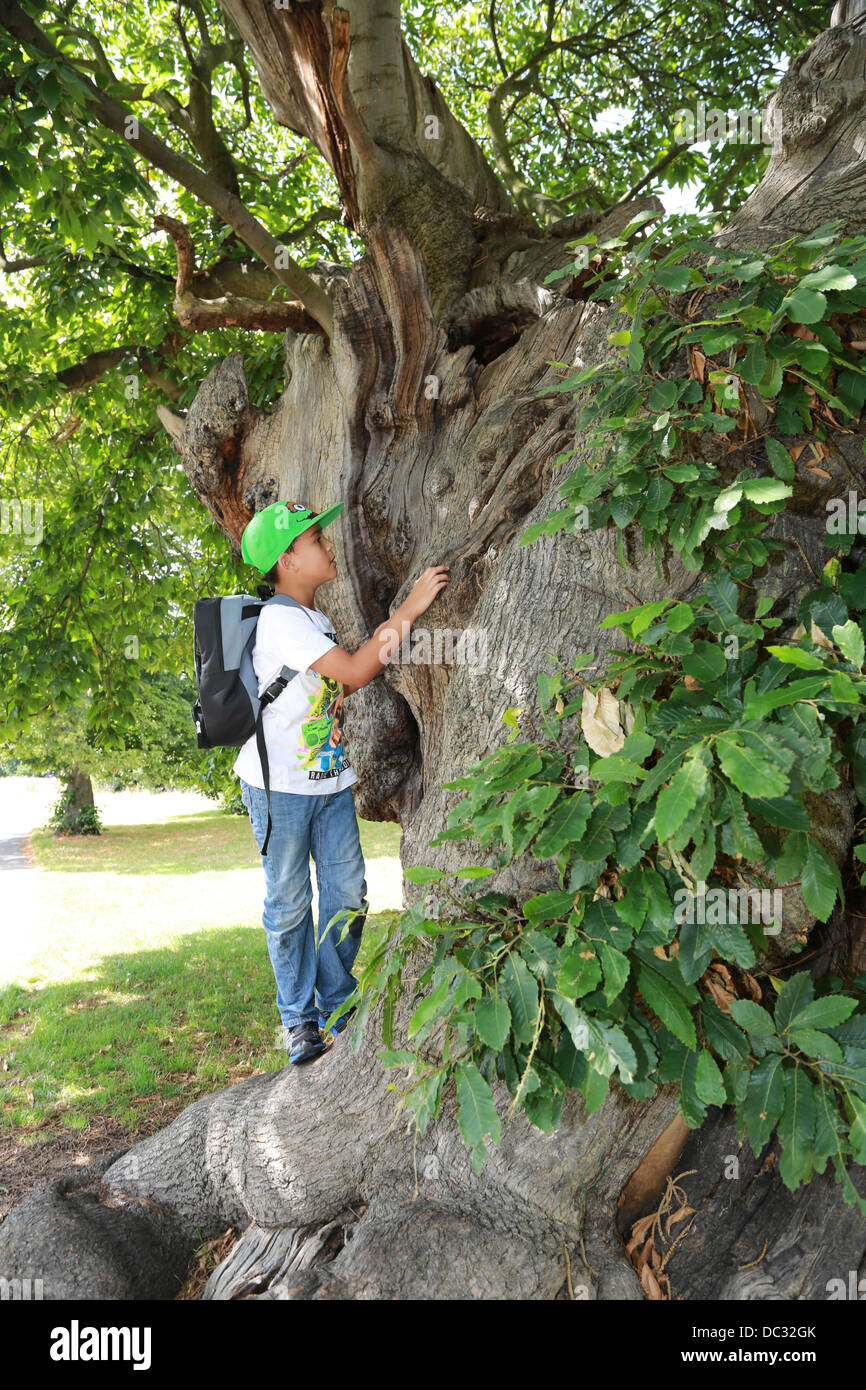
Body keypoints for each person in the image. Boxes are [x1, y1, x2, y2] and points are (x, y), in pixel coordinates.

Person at [234, 498, 450, 1065]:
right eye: (314, 540)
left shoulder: (313, 620)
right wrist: (409, 610)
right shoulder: (280, 619)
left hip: (328, 781)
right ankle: (299, 1020)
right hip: (279, 787)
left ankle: (336, 999)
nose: (328, 545)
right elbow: (356, 670)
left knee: (346, 894)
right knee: (288, 903)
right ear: (286, 560)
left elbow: (338, 686)